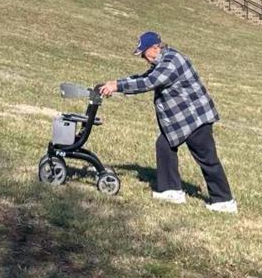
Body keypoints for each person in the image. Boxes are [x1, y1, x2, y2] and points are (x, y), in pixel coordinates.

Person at [100, 32, 236, 214]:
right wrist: (116, 82)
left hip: (196, 119)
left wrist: (118, 87)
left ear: (155, 47)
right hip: (182, 122)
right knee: (164, 146)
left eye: (144, 53)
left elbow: (150, 82)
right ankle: (171, 191)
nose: (143, 58)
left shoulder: (172, 61)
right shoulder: (162, 61)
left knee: (207, 159)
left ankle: (224, 201)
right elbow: (143, 77)